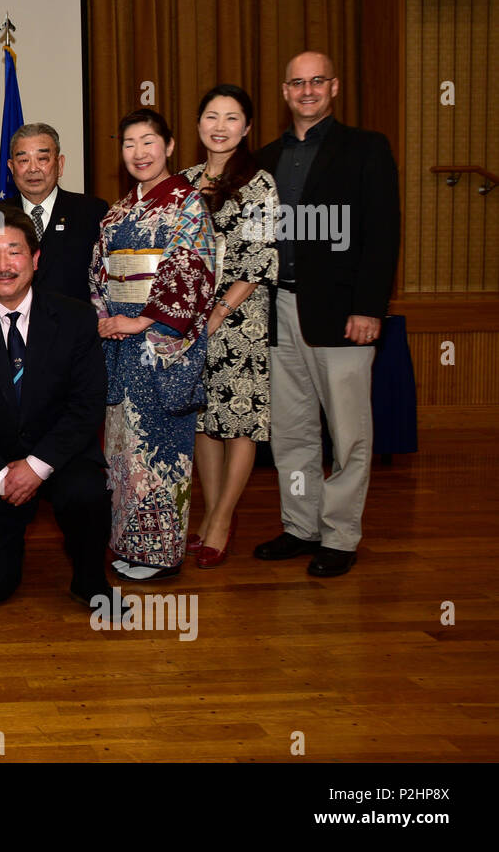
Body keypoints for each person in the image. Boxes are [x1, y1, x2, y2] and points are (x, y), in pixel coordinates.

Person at [253, 51, 400, 577]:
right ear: (285, 91)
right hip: (279, 311)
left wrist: (369, 308)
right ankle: (301, 526)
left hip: (342, 315)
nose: (308, 90)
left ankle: (339, 535)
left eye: (318, 81)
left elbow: (382, 234)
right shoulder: (265, 157)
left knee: (348, 432)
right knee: (291, 433)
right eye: (298, 82)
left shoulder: (365, 148)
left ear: (334, 87)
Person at [0, 206, 112, 611]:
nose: (4, 265)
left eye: (14, 251)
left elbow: (86, 404)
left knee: (87, 491)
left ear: (35, 258)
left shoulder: (76, 318)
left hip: (59, 456)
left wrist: (38, 466)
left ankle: (89, 578)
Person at [89, 108, 215, 582]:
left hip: (160, 342)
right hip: (121, 342)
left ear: (169, 146)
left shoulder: (187, 203)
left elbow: (191, 268)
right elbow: (99, 271)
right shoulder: (118, 211)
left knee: (160, 447)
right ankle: (127, 542)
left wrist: (141, 319)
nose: (139, 153)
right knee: (122, 448)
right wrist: (105, 318)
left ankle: (161, 554)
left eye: (148, 142)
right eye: (129, 144)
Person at [180, 85, 279, 568]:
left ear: (246, 128)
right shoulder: (183, 181)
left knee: (239, 418)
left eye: (232, 118)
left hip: (239, 320)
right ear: (198, 123)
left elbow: (259, 259)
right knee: (203, 418)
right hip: (190, 320)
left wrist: (217, 313)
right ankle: (208, 514)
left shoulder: (259, 184)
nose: (220, 126)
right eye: (212, 116)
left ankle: (222, 518)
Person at [5, 122, 107, 304]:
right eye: (23, 160)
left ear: (60, 164)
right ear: (12, 168)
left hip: (75, 328)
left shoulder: (92, 212)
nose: (33, 168)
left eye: (42, 159)